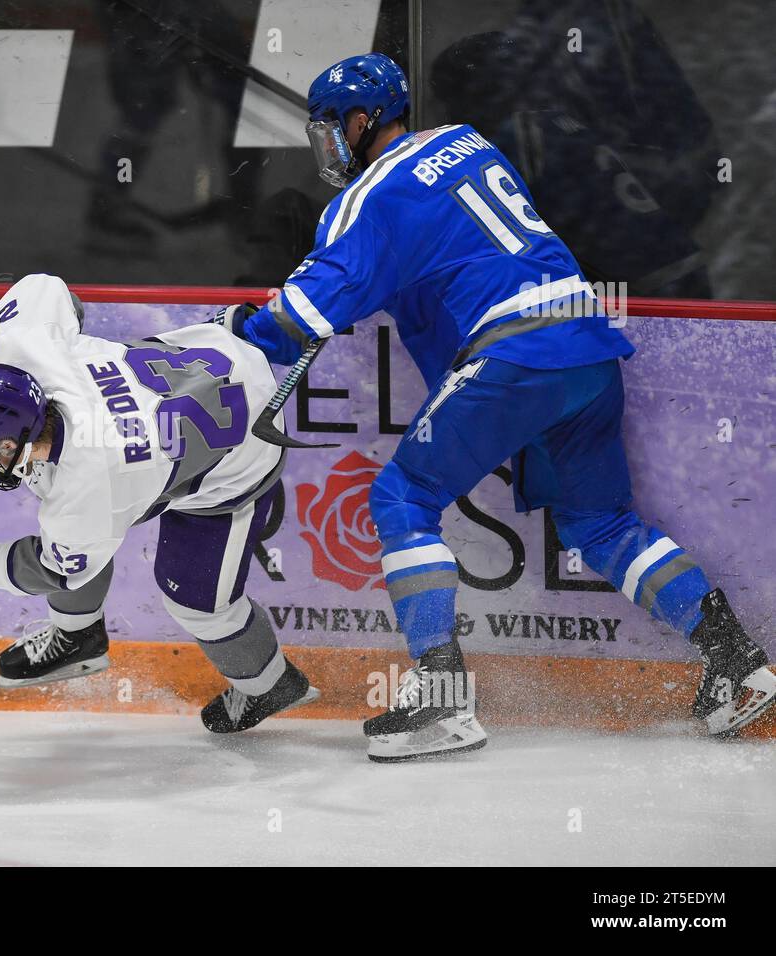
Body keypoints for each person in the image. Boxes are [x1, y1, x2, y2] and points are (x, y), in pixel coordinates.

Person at [214, 53, 776, 761]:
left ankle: (443, 702)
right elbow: (441, 255)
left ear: (360, 122)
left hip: (515, 354)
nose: (326, 141)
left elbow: (300, 312)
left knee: (402, 495)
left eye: (330, 125)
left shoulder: (368, 198)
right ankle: (737, 661)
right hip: (587, 344)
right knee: (600, 523)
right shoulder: (467, 141)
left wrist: (238, 327)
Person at [0, 273, 318, 733]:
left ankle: (270, 685)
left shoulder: (89, 486)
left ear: (9, 446)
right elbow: (49, 287)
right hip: (217, 359)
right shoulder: (28, 347)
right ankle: (79, 635)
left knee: (198, 602)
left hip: (244, 447)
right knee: (61, 502)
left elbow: (60, 567)